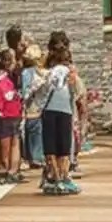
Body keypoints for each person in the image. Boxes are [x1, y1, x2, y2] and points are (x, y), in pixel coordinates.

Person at [40, 46, 81, 195]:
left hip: (52, 110)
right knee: (62, 146)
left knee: (54, 145)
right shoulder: (63, 72)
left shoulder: (50, 73)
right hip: (63, 110)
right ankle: (61, 177)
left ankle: (57, 177)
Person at [0, 49, 24, 184]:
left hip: (5, 114)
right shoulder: (14, 76)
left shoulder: (0, 80)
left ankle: (7, 170)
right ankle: (12, 170)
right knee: (14, 143)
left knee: (6, 144)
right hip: (14, 112)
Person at [19, 44, 47, 169]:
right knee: (35, 131)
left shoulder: (27, 72)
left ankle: (32, 156)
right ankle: (36, 157)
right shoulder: (30, 73)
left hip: (33, 106)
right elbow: (26, 92)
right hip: (34, 106)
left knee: (31, 132)